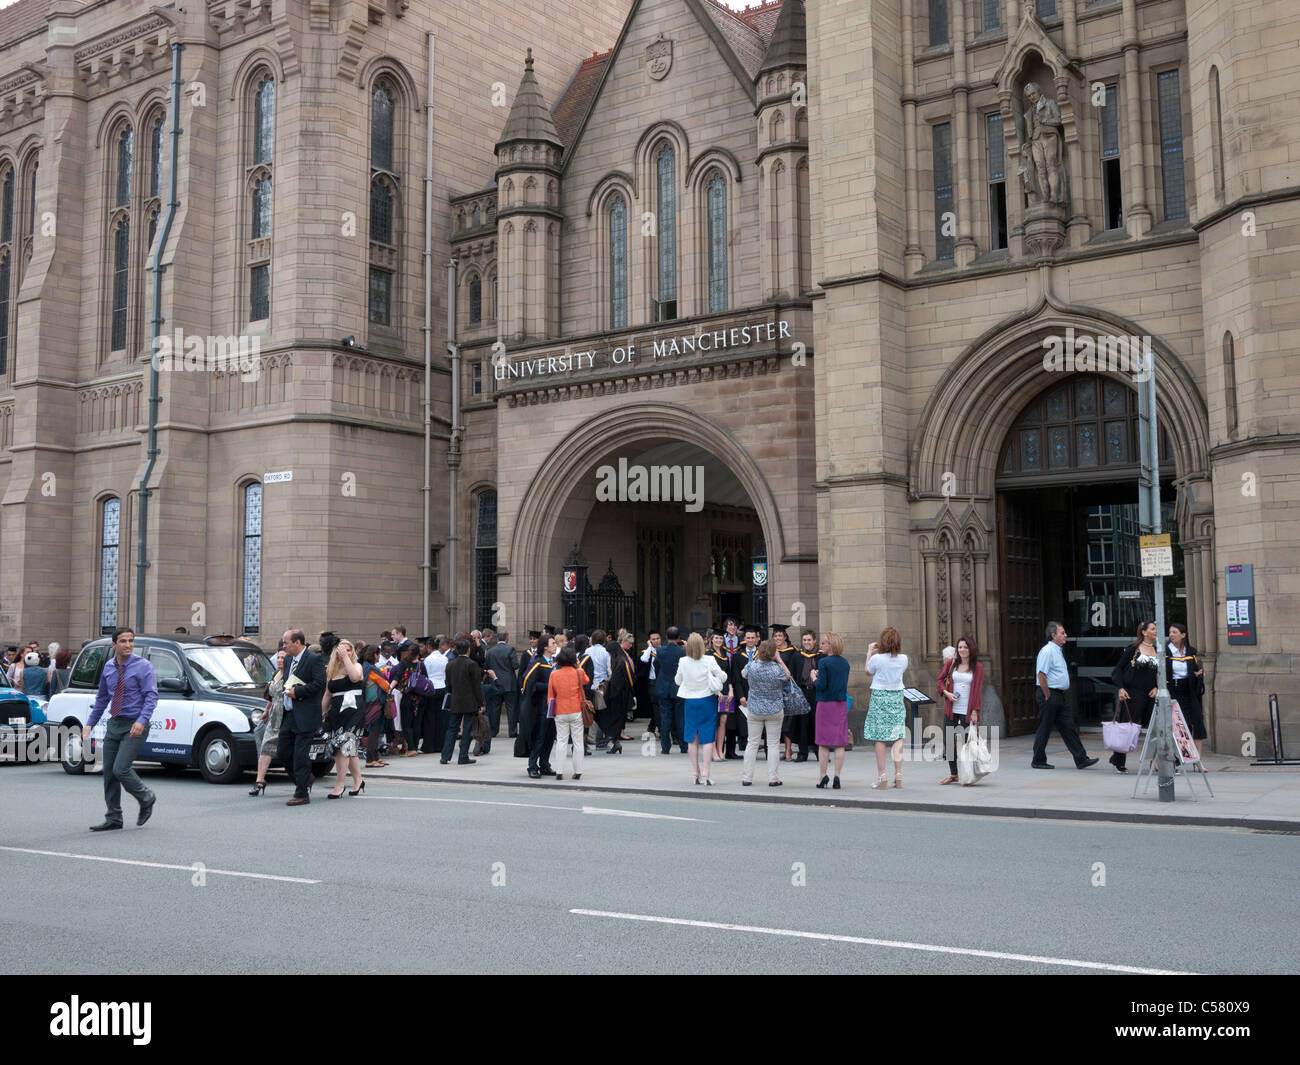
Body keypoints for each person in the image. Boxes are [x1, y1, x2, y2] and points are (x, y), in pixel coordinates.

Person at [83, 628, 158, 831]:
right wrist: (90, 723)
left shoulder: (143, 666)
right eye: (123, 641)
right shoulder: (108, 667)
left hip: (135, 724)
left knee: (120, 769)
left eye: (131, 641)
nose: (128, 645)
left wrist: (142, 721)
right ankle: (114, 817)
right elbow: (102, 699)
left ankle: (146, 796)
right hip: (114, 723)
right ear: (113, 645)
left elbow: (151, 697)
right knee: (108, 772)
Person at [1032, 621, 1098, 771]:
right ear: (1053, 635)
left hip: (1058, 695)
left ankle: (1081, 758)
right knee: (1044, 728)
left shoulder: (1057, 650)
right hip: (1050, 694)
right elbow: (1041, 674)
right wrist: (1047, 695)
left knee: (1069, 727)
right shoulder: (1048, 651)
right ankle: (1038, 760)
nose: (1065, 635)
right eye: (1062, 633)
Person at [278, 628, 328, 805]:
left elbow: (320, 684)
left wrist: (297, 692)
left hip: (306, 715)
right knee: (282, 752)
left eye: (286, 643)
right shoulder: (289, 659)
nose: (283, 646)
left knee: (300, 755)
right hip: (289, 714)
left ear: (297, 642)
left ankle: (302, 793)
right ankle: (306, 778)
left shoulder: (314, 659)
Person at [675, 632, 729, 785]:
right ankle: (706, 773)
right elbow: (723, 677)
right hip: (707, 701)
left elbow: (678, 681)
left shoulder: (683, 661)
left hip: (690, 702)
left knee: (692, 738)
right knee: (707, 738)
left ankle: (695, 772)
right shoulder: (709, 659)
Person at [1110, 620, 1160, 773]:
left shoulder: (1159, 649)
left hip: (1151, 694)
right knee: (1127, 726)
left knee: (1157, 727)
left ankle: (1158, 761)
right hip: (1133, 692)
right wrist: (1121, 688)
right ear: (1144, 632)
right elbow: (1118, 669)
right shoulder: (1133, 649)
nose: (1155, 631)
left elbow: (1163, 673)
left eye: (1155, 629)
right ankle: (1118, 760)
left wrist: (1157, 687)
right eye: (1152, 629)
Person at [864, 627, 909, 789]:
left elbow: (868, 671)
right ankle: (898, 774)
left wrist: (869, 652)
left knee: (879, 736)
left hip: (880, 697)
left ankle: (882, 775)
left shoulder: (877, 658)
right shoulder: (904, 658)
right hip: (897, 696)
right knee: (897, 736)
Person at [740, 638, 788, 787]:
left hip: (754, 709)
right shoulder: (777, 669)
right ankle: (773, 778)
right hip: (774, 709)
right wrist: (779, 659)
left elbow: (743, 673)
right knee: (773, 744)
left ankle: (747, 778)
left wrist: (754, 660)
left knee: (752, 743)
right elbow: (788, 675)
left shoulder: (752, 667)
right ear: (773, 653)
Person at [936, 634, 983, 785]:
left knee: (966, 744)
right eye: (960, 647)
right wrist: (946, 693)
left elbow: (977, 690)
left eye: (965, 647)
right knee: (948, 741)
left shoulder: (977, 667)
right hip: (951, 708)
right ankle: (954, 774)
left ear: (971, 649)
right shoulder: (952, 663)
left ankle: (968, 774)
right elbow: (940, 680)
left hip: (967, 710)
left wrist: (975, 710)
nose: (962, 650)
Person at [324, 639, 366, 798]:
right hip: (337, 712)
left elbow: (355, 678)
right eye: (342, 650)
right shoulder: (332, 671)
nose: (345, 652)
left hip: (354, 711)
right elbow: (327, 695)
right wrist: (319, 714)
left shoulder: (356, 665)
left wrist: (346, 658)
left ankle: (339, 785)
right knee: (350, 749)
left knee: (344, 747)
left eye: (349, 650)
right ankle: (358, 780)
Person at [811, 632, 850, 789]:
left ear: (831, 645)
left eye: (824, 643)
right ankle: (837, 777)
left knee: (823, 743)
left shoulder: (824, 662)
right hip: (840, 704)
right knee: (839, 743)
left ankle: (822, 776)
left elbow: (822, 685)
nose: (821, 646)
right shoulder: (845, 663)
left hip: (825, 704)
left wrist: (814, 677)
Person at [249, 646, 287, 795]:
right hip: (273, 715)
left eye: (283, 658)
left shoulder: (290, 675)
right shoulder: (276, 674)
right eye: (278, 657)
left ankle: (304, 778)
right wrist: (266, 710)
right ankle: (259, 781)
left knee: (287, 751)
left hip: (285, 714)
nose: (279, 660)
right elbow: (272, 697)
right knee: (266, 746)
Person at [518, 633, 557, 778]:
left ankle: (545, 764)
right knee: (540, 737)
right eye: (553, 643)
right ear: (545, 647)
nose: (555, 646)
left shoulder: (554, 662)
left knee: (549, 736)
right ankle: (532, 765)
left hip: (553, 706)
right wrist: (551, 686)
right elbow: (529, 684)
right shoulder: (537, 662)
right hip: (540, 707)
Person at [547, 646, 589, 781]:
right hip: (576, 710)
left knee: (561, 741)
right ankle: (578, 771)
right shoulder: (579, 672)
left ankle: (559, 771)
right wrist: (578, 666)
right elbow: (587, 680)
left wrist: (551, 711)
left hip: (560, 710)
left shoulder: (554, 674)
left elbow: (550, 696)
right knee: (578, 742)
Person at [442, 637, 485, 764]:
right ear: (468, 650)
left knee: (452, 729)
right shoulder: (472, 664)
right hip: (469, 702)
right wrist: (481, 703)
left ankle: (445, 756)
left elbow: (448, 685)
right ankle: (463, 756)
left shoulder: (450, 664)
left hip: (455, 700)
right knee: (466, 729)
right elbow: (476, 686)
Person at [1167, 622, 1207, 758]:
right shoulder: (1166, 652)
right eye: (1170, 632)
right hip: (1173, 690)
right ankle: (1171, 760)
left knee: (1197, 722)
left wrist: (1198, 674)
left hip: (1189, 690)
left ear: (1183, 635)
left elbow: (1194, 669)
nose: (1171, 635)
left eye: (1174, 632)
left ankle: (1198, 760)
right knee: (1177, 725)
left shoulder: (1190, 652)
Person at [728, 624, 762, 758]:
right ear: (744, 639)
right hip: (743, 692)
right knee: (741, 722)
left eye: (752, 638)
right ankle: (740, 747)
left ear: (756, 639)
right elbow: (736, 677)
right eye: (748, 637)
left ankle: (757, 746)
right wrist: (741, 695)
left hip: (759, 693)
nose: (750, 640)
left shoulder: (761, 654)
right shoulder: (737, 656)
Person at [601, 632, 636, 754]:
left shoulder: (621, 662)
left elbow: (627, 680)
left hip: (618, 696)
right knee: (615, 719)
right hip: (618, 695)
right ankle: (616, 743)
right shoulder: (619, 660)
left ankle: (613, 739)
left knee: (613, 719)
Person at [484, 630, 519, 751]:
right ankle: (512, 731)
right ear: (507, 639)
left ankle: (493, 731)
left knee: (495, 707)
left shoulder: (490, 650)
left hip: (495, 682)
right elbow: (515, 665)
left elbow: (486, 665)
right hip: (509, 683)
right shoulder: (510, 649)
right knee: (511, 708)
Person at [655, 625, 686, 754]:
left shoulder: (660, 651)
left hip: (663, 686)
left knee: (665, 718)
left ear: (666, 637)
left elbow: (656, 665)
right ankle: (683, 746)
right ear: (679, 637)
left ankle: (665, 747)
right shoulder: (682, 652)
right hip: (678, 687)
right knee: (680, 718)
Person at [770, 625, 800, 761]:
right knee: (777, 721)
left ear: (785, 637)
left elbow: (793, 670)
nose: (777, 638)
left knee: (788, 720)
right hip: (773, 688)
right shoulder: (770, 651)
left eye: (780, 636)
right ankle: (780, 750)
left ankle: (788, 750)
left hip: (787, 688)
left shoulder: (793, 652)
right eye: (775, 636)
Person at [359, 645, 392, 767]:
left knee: (375, 731)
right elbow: (385, 686)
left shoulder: (365, 667)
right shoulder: (372, 669)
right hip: (375, 704)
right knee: (374, 731)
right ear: (374, 654)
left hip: (368, 702)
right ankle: (370, 760)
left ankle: (375, 757)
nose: (379, 657)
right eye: (378, 654)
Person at [794, 629, 823, 762]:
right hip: (802, 692)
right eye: (804, 640)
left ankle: (819, 752)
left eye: (809, 640)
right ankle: (802, 752)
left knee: (817, 721)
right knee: (802, 722)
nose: (806, 642)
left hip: (816, 692)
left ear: (814, 641)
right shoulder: (797, 656)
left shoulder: (821, 657)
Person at [706, 630, 734, 759]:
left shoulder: (725, 654)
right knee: (714, 721)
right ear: (712, 639)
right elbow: (708, 676)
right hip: (713, 692)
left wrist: (730, 690)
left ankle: (719, 750)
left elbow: (728, 674)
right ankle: (712, 752)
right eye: (716, 638)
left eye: (720, 638)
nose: (718, 640)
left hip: (725, 692)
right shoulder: (708, 655)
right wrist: (717, 691)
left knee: (723, 720)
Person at [638, 630, 661, 735]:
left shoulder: (663, 650)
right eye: (653, 639)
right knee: (655, 706)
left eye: (657, 638)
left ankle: (652, 726)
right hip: (652, 682)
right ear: (650, 641)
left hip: (662, 682)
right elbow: (644, 659)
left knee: (660, 706)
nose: (656, 641)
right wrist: (649, 647)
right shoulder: (648, 652)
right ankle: (661, 729)